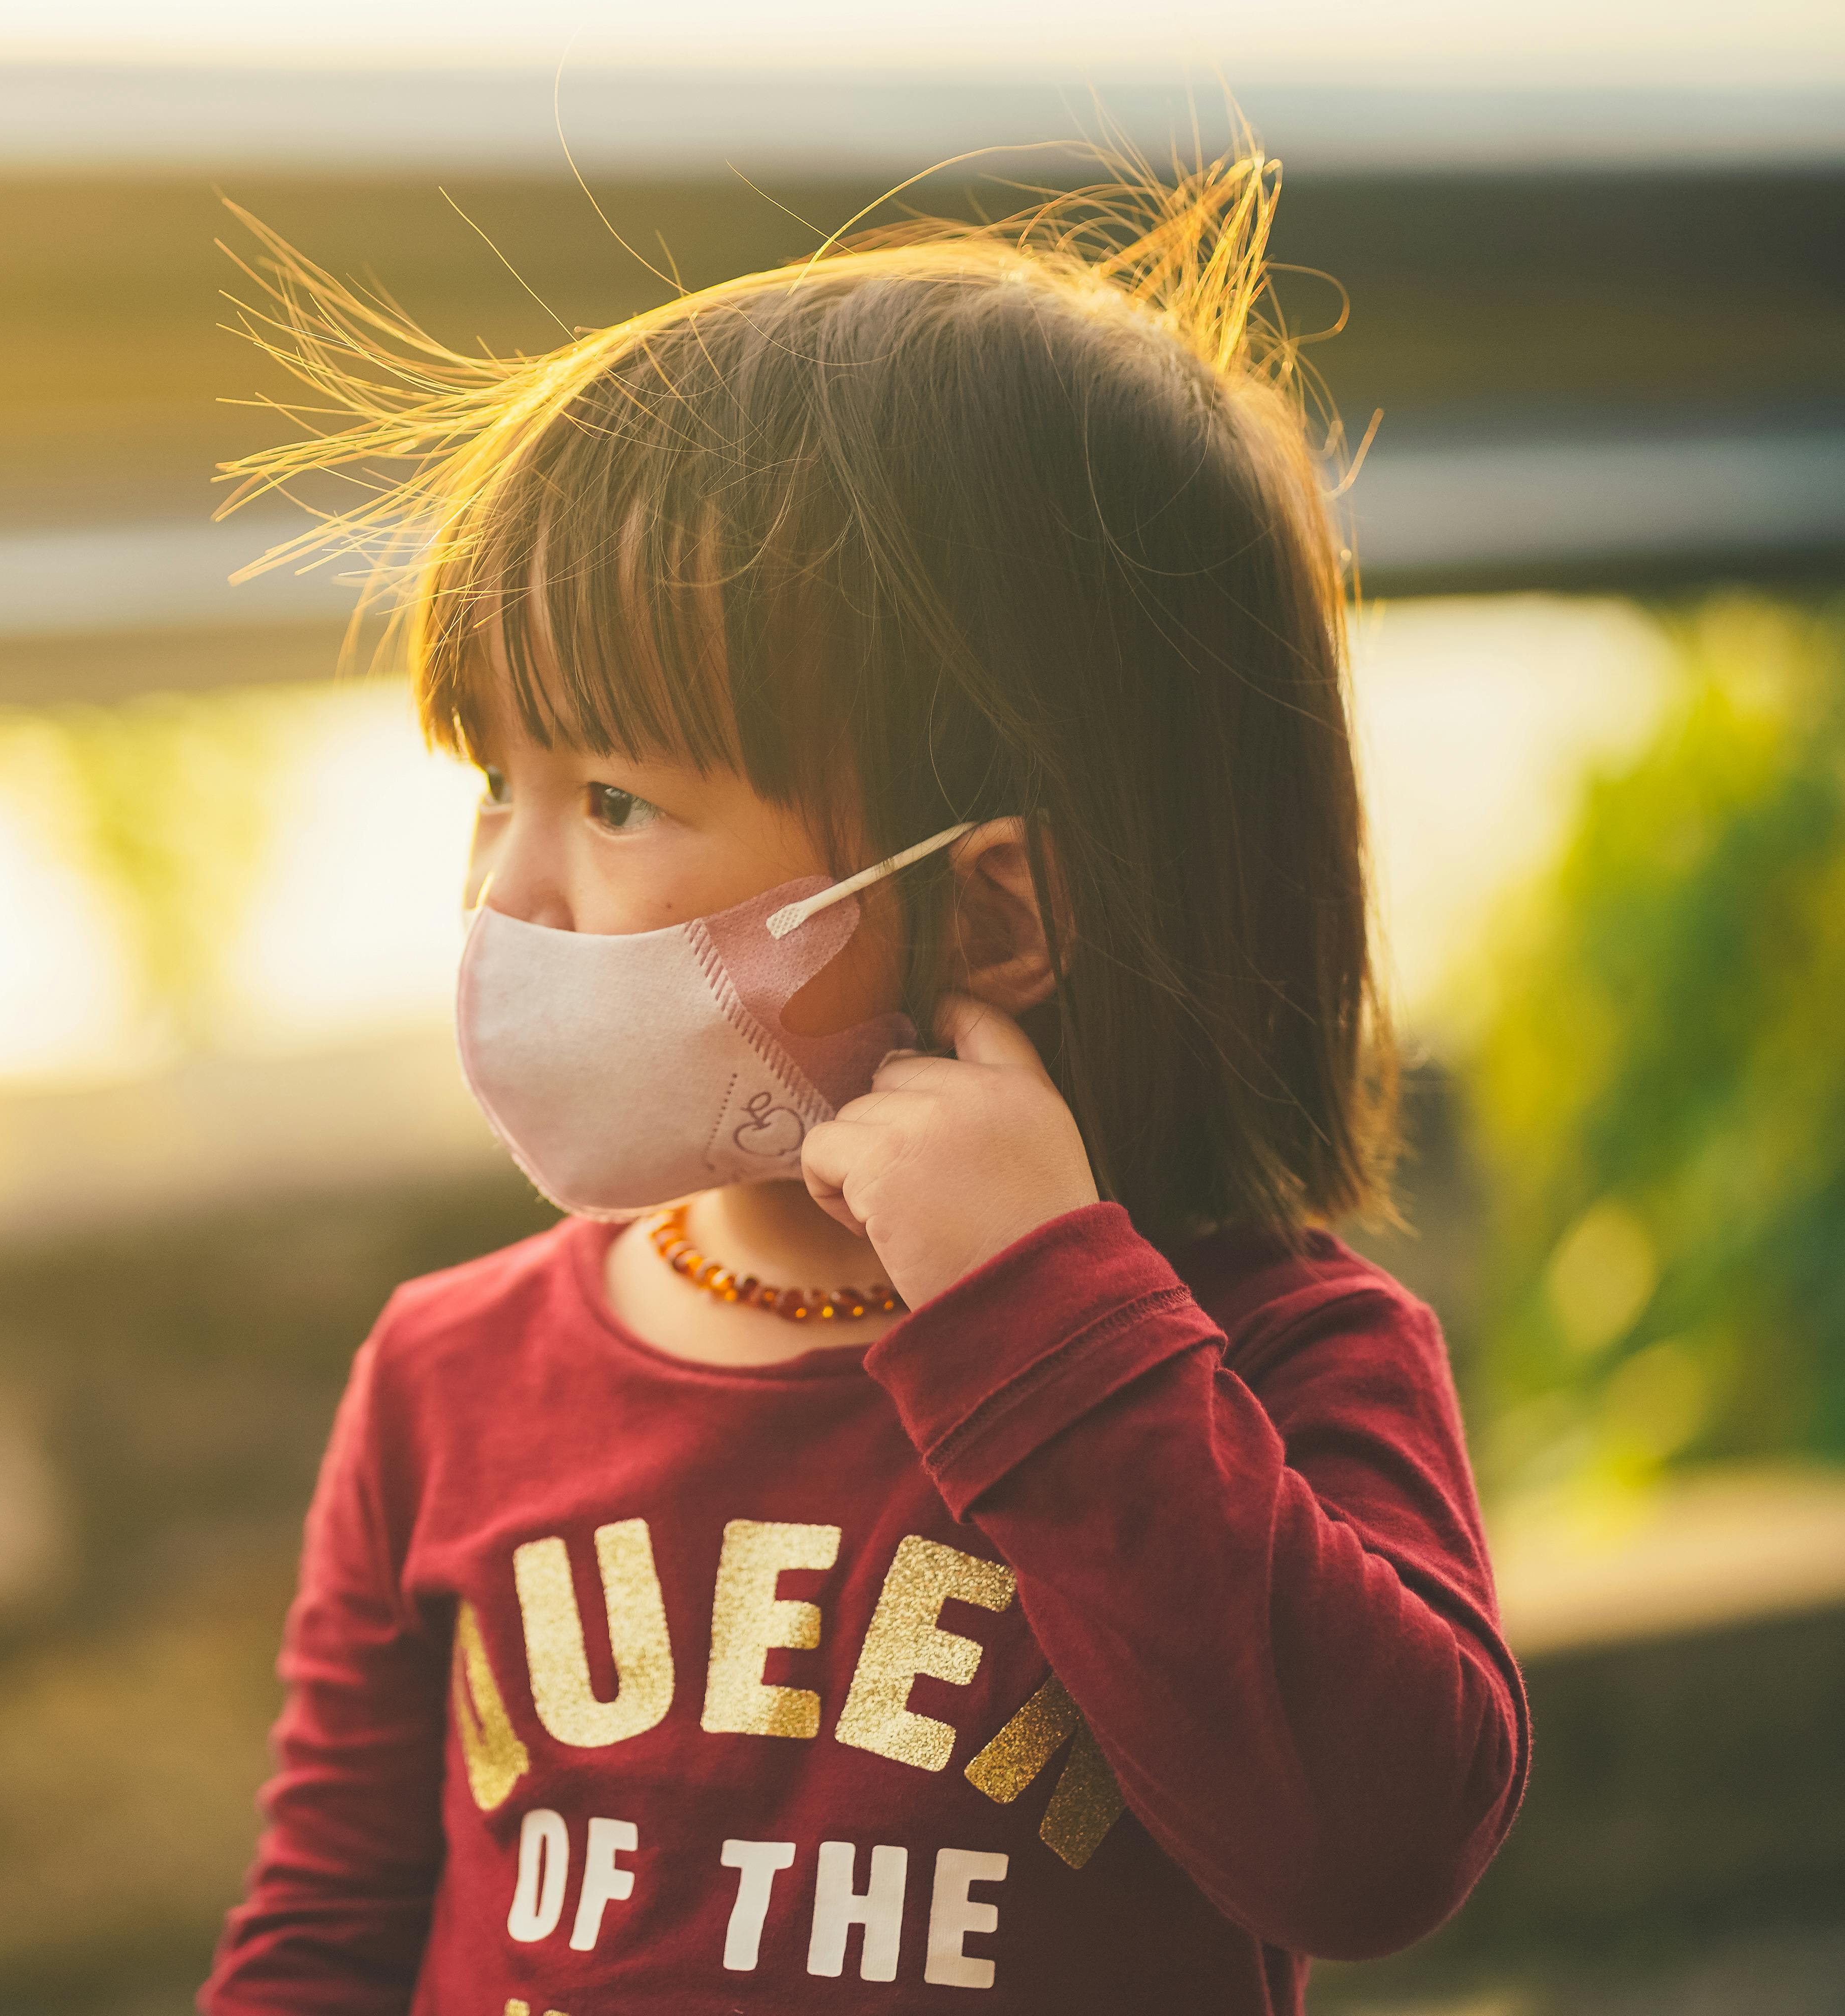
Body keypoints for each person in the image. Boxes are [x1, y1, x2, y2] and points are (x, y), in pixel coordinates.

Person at [197, 150, 1528, 2015]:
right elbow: (326, 1936)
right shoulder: (447, 1381)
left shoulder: (1270, 1361)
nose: (508, 886)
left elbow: (1380, 1850)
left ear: (991, 907)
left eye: (618, 799)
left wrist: (1046, 1325)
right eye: (498, 782)